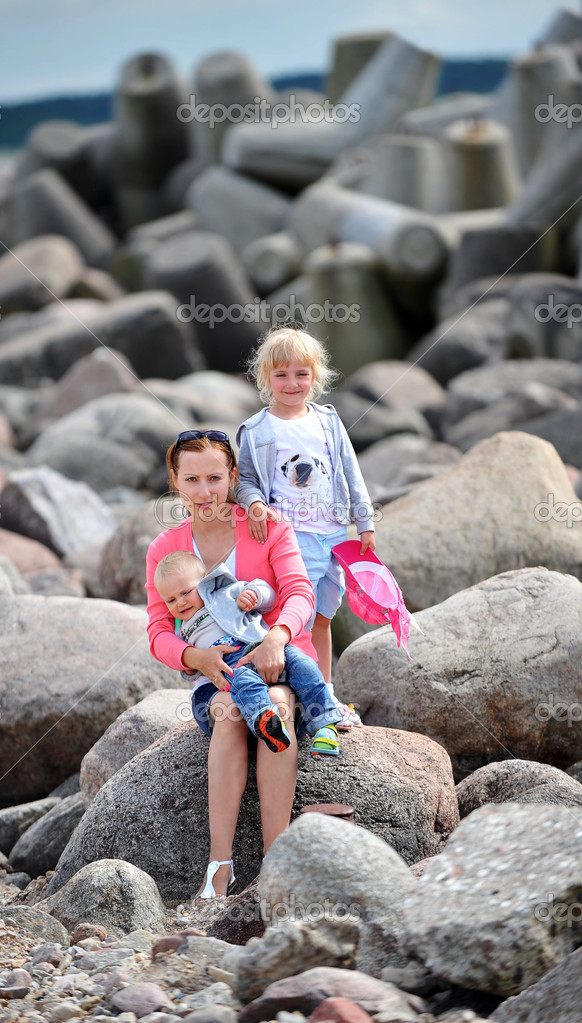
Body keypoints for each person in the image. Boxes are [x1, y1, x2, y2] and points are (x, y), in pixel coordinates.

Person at [146, 429, 319, 903]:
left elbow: (300, 592)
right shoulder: (165, 549)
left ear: (233, 476)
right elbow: (157, 630)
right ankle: (219, 866)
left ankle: (275, 862)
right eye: (192, 480)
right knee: (228, 711)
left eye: (215, 478)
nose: (205, 492)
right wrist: (195, 658)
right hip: (219, 675)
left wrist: (277, 639)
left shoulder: (268, 527)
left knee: (277, 705)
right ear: (175, 480)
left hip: (279, 663)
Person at [236, 326, 377, 727]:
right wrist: (256, 505)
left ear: (315, 376)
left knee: (324, 615)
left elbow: (350, 470)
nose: (292, 383)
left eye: (301, 374)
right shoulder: (257, 430)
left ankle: (325, 690)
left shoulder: (327, 421)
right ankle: (310, 698)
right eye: (281, 375)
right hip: (291, 536)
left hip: (333, 532)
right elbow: (244, 481)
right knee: (297, 616)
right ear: (265, 378)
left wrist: (364, 522)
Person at [154, 550, 342, 756]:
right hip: (230, 663)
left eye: (185, 592)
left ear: (204, 582)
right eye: (170, 600)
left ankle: (325, 724)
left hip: (263, 647)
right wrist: (192, 665)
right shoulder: (181, 630)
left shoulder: (226, 592)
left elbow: (269, 595)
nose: (180, 603)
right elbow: (188, 663)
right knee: (243, 683)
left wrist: (254, 594)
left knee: (303, 665)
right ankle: (266, 720)